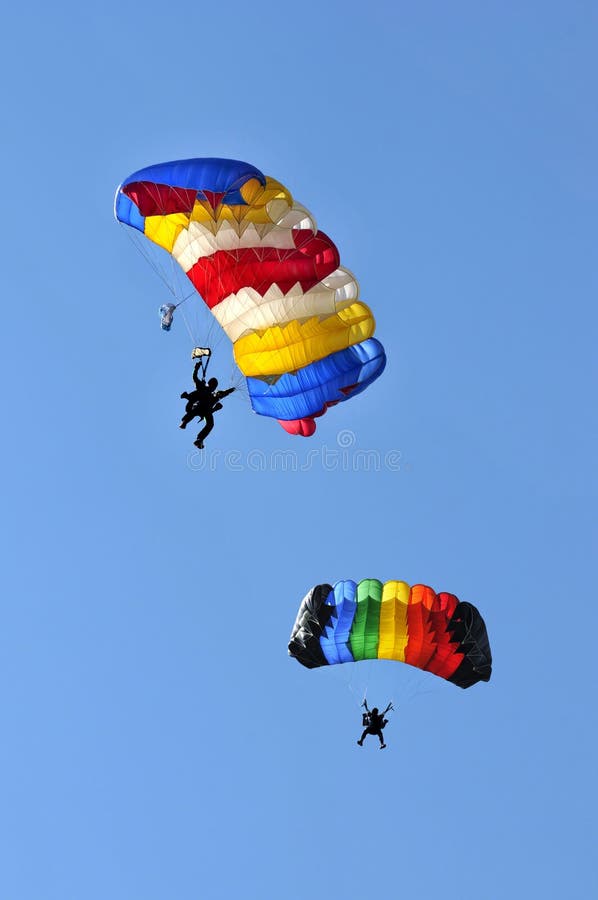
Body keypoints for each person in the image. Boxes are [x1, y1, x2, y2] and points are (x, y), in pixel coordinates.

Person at [179, 363, 235, 448]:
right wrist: (196, 368)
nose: (213, 387)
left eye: (214, 386)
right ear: (209, 384)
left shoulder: (214, 395)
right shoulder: (203, 387)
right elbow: (195, 378)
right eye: (213, 385)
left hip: (206, 411)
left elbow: (223, 393)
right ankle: (184, 422)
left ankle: (199, 439)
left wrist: (231, 390)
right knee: (194, 411)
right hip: (200, 407)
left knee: (210, 424)